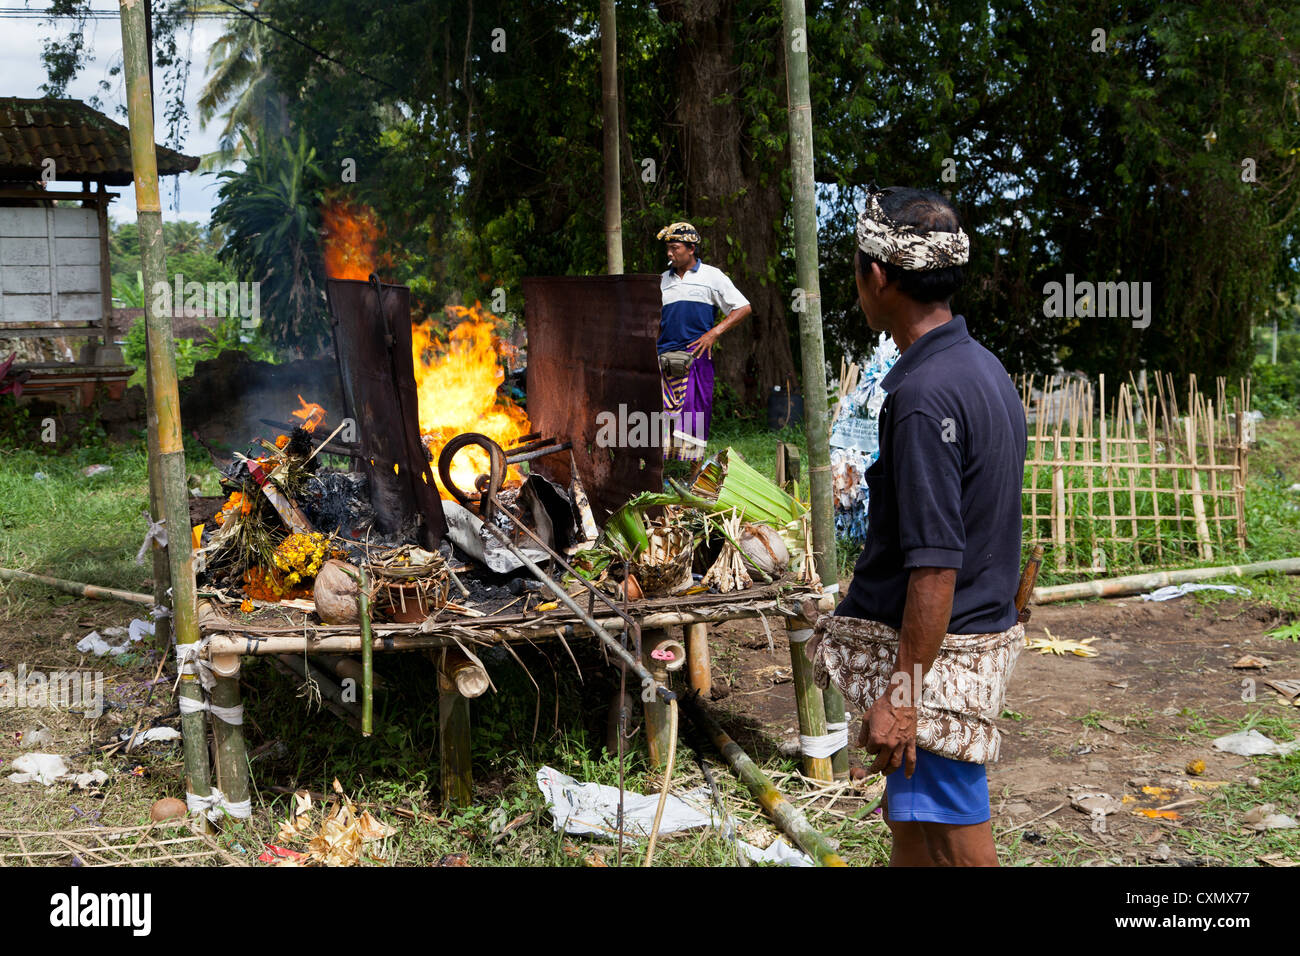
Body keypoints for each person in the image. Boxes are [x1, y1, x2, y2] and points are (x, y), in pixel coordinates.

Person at [807, 186, 1027, 866]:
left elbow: (935, 564)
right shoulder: (982, 370)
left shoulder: (924, 397)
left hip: (937, 664)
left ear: (877, 275)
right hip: (942, 647)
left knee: (959, 846)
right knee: (914, 831)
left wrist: (902, 696)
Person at [656, 222, 751, 462]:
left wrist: (714, 333)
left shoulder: (712, 276)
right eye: (668, 248)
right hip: (664, 357)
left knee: (695, 414)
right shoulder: (661, 282)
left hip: (696, 356)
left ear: (691, 248)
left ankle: (692, 474)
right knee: (661, 418)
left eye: (675, 248)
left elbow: (742, 307)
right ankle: (663, 472)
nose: (669, 253)